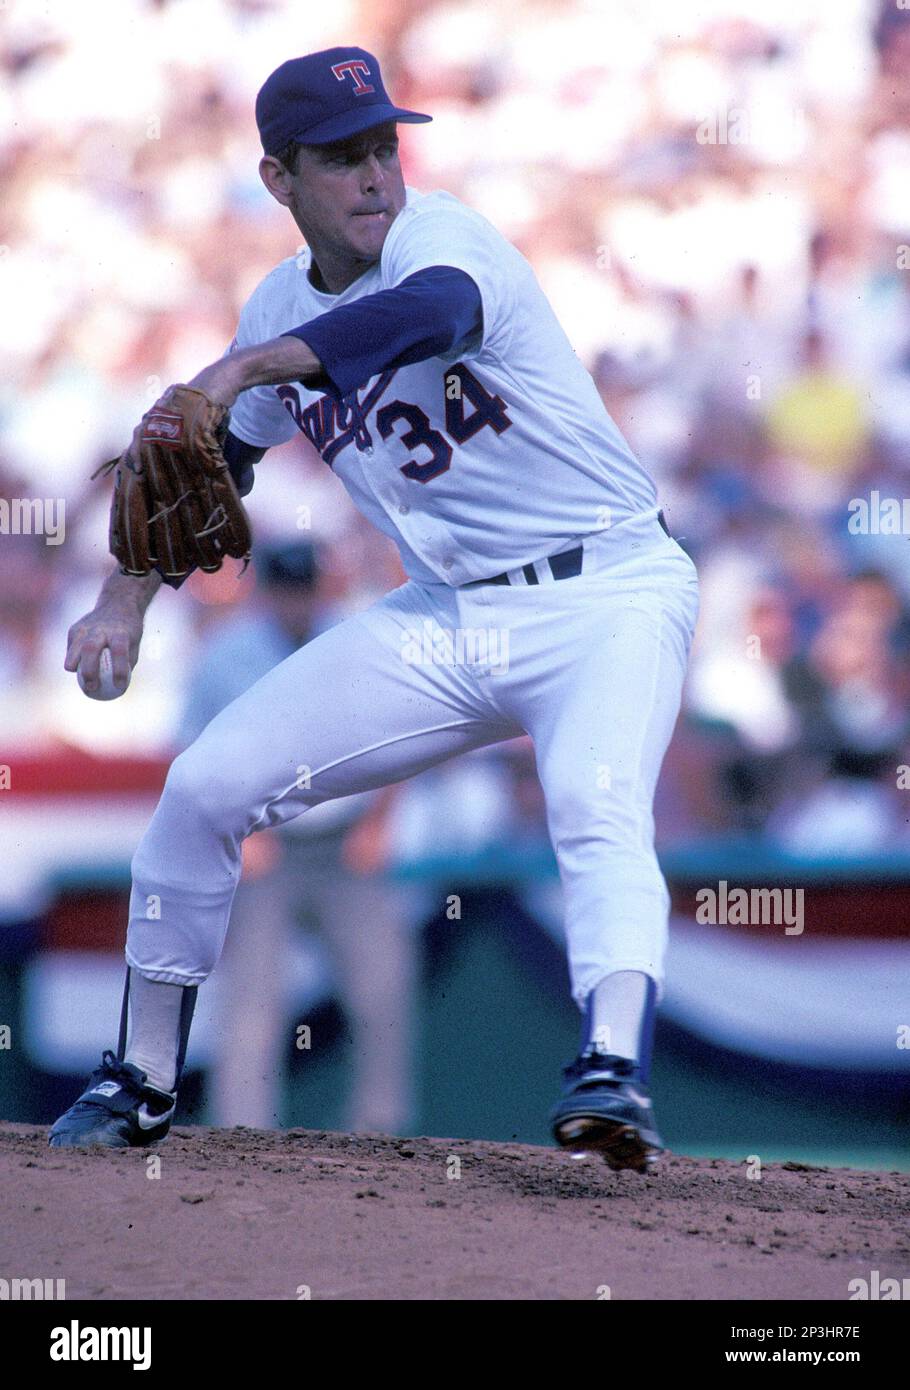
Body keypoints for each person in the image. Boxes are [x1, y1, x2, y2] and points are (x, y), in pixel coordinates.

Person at [50, 45, 700, 1173]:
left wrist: (240, 367)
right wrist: (123, 599)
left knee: (595, 807)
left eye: (381, 149)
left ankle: (609, 1071)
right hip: (445, 617)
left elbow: (421, 318)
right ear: (277, 179)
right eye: (339, 158)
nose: (373, 177)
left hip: (608, 592)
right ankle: (141, 1078)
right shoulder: (275, 307)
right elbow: (215, 476)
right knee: (202, 785)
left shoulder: (445, 240)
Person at [176, 538, 417, 1134]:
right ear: (266, 593)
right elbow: (190, 752)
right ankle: (244, 1138)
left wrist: (380, 820)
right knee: (252, 1005)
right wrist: (234, 831)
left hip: (345, 843)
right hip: (264, 844)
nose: (295, 603)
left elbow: (407, 735)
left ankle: (382, 1136)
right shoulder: (228, 654)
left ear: (321, 588)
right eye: (284, 591)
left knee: (384, 989)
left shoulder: (359, 644)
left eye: (303, 590)